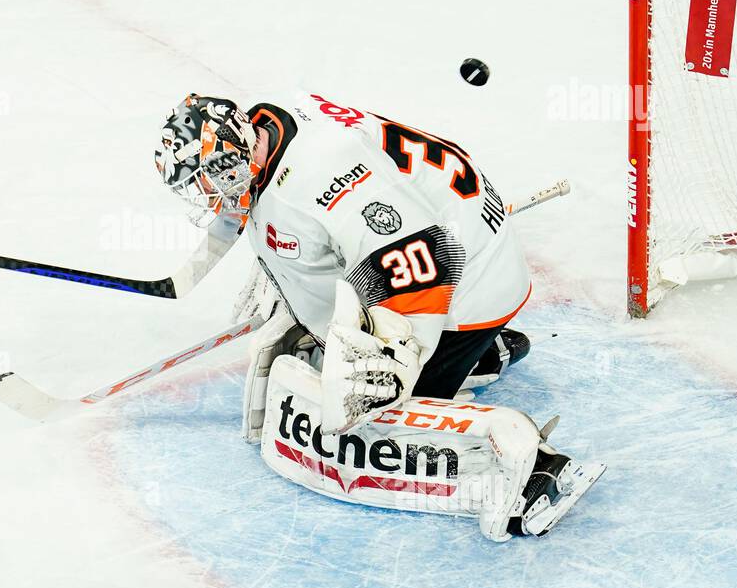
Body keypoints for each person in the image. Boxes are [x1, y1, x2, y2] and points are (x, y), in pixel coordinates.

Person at [154, 93, 603, 541]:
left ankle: (536, 469)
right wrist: (282, 266)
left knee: (364, 429)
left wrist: (391, 354)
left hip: (464, 286)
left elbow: (428, 256)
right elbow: (333, 225)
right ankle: (480, 354)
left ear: (234, 152)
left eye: (209, 178)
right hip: (460, 248)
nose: (209, 195)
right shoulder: (269, 128)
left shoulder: (316, 175)